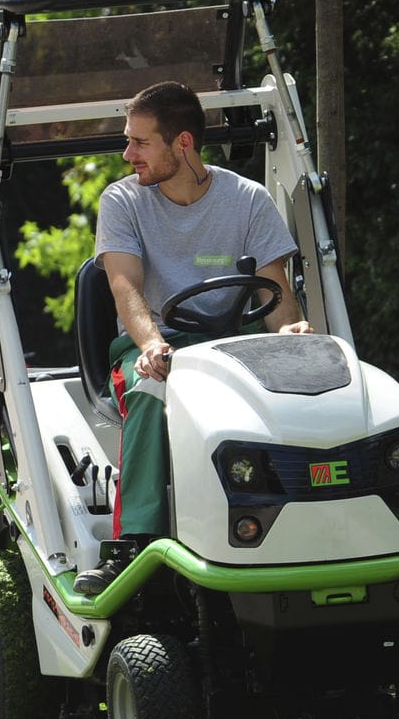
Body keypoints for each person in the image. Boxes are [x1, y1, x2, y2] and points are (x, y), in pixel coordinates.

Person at [76, 81, 312, 595]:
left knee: (298, 387)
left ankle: (305, 520)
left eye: (140, 142)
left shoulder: (248, 200)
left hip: (236, 343)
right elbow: (124, 287)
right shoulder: (122, 201)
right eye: (128, 141)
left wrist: (288, 331)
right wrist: (150, 344)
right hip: (159, 345)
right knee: (152, 389)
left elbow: (273, 291)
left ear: (182, 143)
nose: (127, 154)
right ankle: (133, 543)